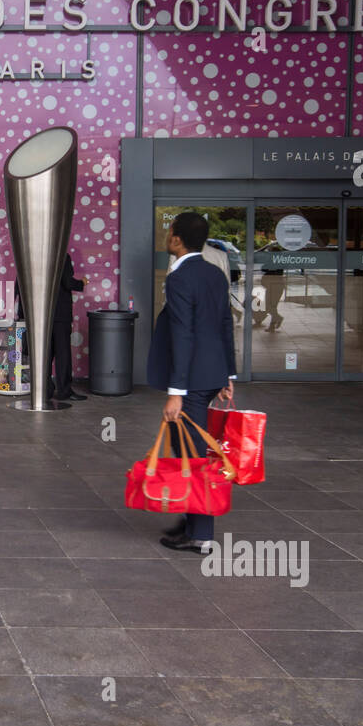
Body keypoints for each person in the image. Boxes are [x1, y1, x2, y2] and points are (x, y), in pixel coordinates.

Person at [147, 212, 236, 553]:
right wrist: (228, 374)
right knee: (188, 447)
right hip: (211, 374)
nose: (167, 237)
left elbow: (183, 334)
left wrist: (176, 393)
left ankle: (201, 534)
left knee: (193, 454)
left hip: (193, 379)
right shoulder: (215, 273)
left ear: (177, 239)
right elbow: (225, 324)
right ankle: (192, 518)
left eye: (169, 232)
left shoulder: (181, 278)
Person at [13, 254, 86, 401]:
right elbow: (67, 282)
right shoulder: (61, 255)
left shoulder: (29, 256)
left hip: (37, 314)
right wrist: (83, 283)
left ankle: (45, 390)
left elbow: (19, 284)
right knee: (62, 353)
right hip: (59, 314)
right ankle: (64, 390)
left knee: (44, 353)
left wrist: (21, 313)